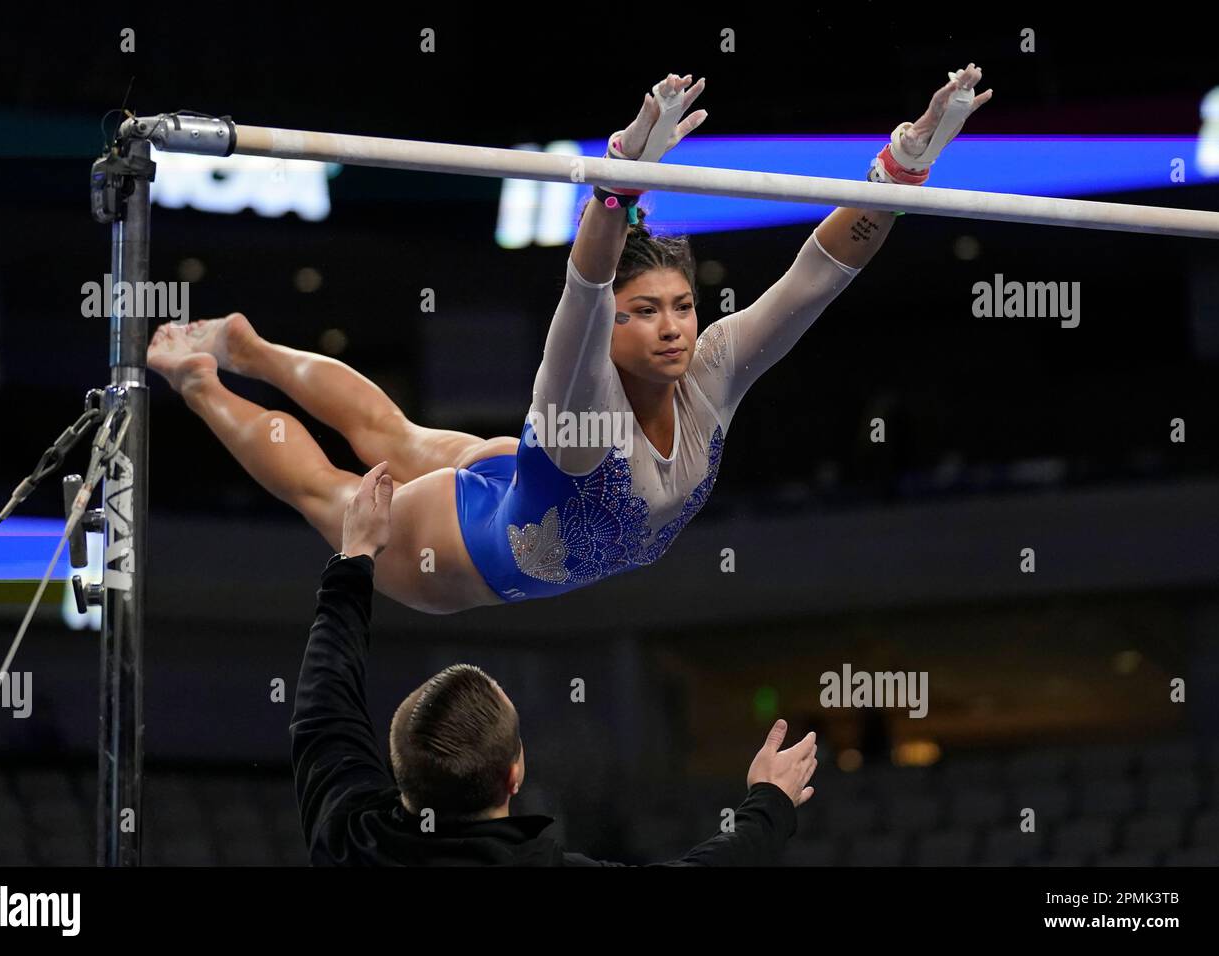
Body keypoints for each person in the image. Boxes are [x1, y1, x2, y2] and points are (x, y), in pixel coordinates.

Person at [149, 67, 992, 614]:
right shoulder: (574, 400)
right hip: (451, 550)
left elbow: (818, 275)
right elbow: (585, 284)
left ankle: (248, 347)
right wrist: (620, 178)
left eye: (680, 307)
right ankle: (203, 377)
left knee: (398, 436)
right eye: (646, 313)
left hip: (523, 494)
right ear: (612, 329)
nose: (671, 329)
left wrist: (903, 168)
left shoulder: (714, 369)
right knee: (331, 493)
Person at [291, 462, 818, 865]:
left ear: (397, 766)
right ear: (515, 773)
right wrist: (771, 799)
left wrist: (356, 555)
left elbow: (324, 709)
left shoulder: (349, 840)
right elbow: (322, 711)